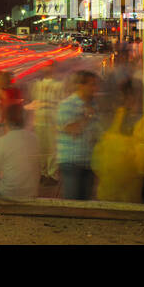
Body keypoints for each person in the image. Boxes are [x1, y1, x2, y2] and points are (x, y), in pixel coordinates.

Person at [56, 71, 100, 200]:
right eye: (91, 85)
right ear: (80, 86)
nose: (95, 89)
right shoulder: (67, 105)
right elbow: (71, 129)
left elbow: (96, 131)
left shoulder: (94, 104)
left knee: (86, 203)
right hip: (71, 162)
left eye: (95, 85)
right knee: (73, 203)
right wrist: (87, 116)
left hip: (88, 161)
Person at [0, 103, 40, 202]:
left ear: (6, 121)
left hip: (10, 192)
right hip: (31, 191)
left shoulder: (0, 142)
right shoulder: (34, 138)